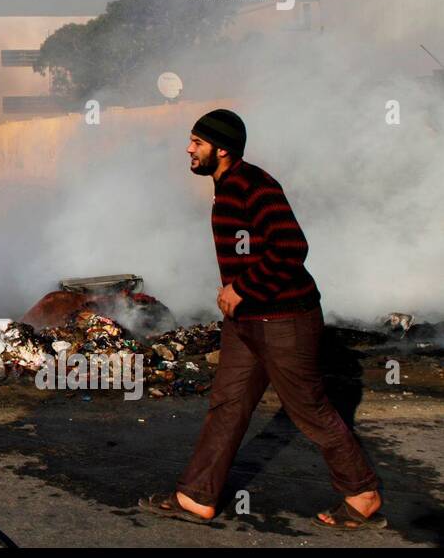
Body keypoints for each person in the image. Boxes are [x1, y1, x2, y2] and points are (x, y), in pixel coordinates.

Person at [140, 109, 384, 530]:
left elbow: (291, 248)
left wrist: (241, 287)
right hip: (247, 321)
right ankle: (197, 495)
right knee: (228, 404)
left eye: (197, 143)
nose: (188, 149)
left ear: (222, 149)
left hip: (285, 318)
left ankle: (361, 492)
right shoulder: (225, 186)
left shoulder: (256, 186)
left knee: (308, 408)